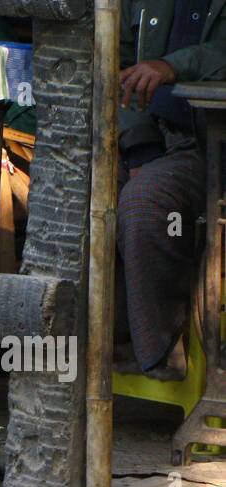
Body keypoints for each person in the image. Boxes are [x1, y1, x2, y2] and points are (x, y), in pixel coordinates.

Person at [114, 0, 226, 380]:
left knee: (149, 205)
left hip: (215, 145)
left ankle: (162, 346)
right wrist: (139, 147)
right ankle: (102, 340)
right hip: (158, 139)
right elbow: (119, 67)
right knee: (79, 195)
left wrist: (173, 66)